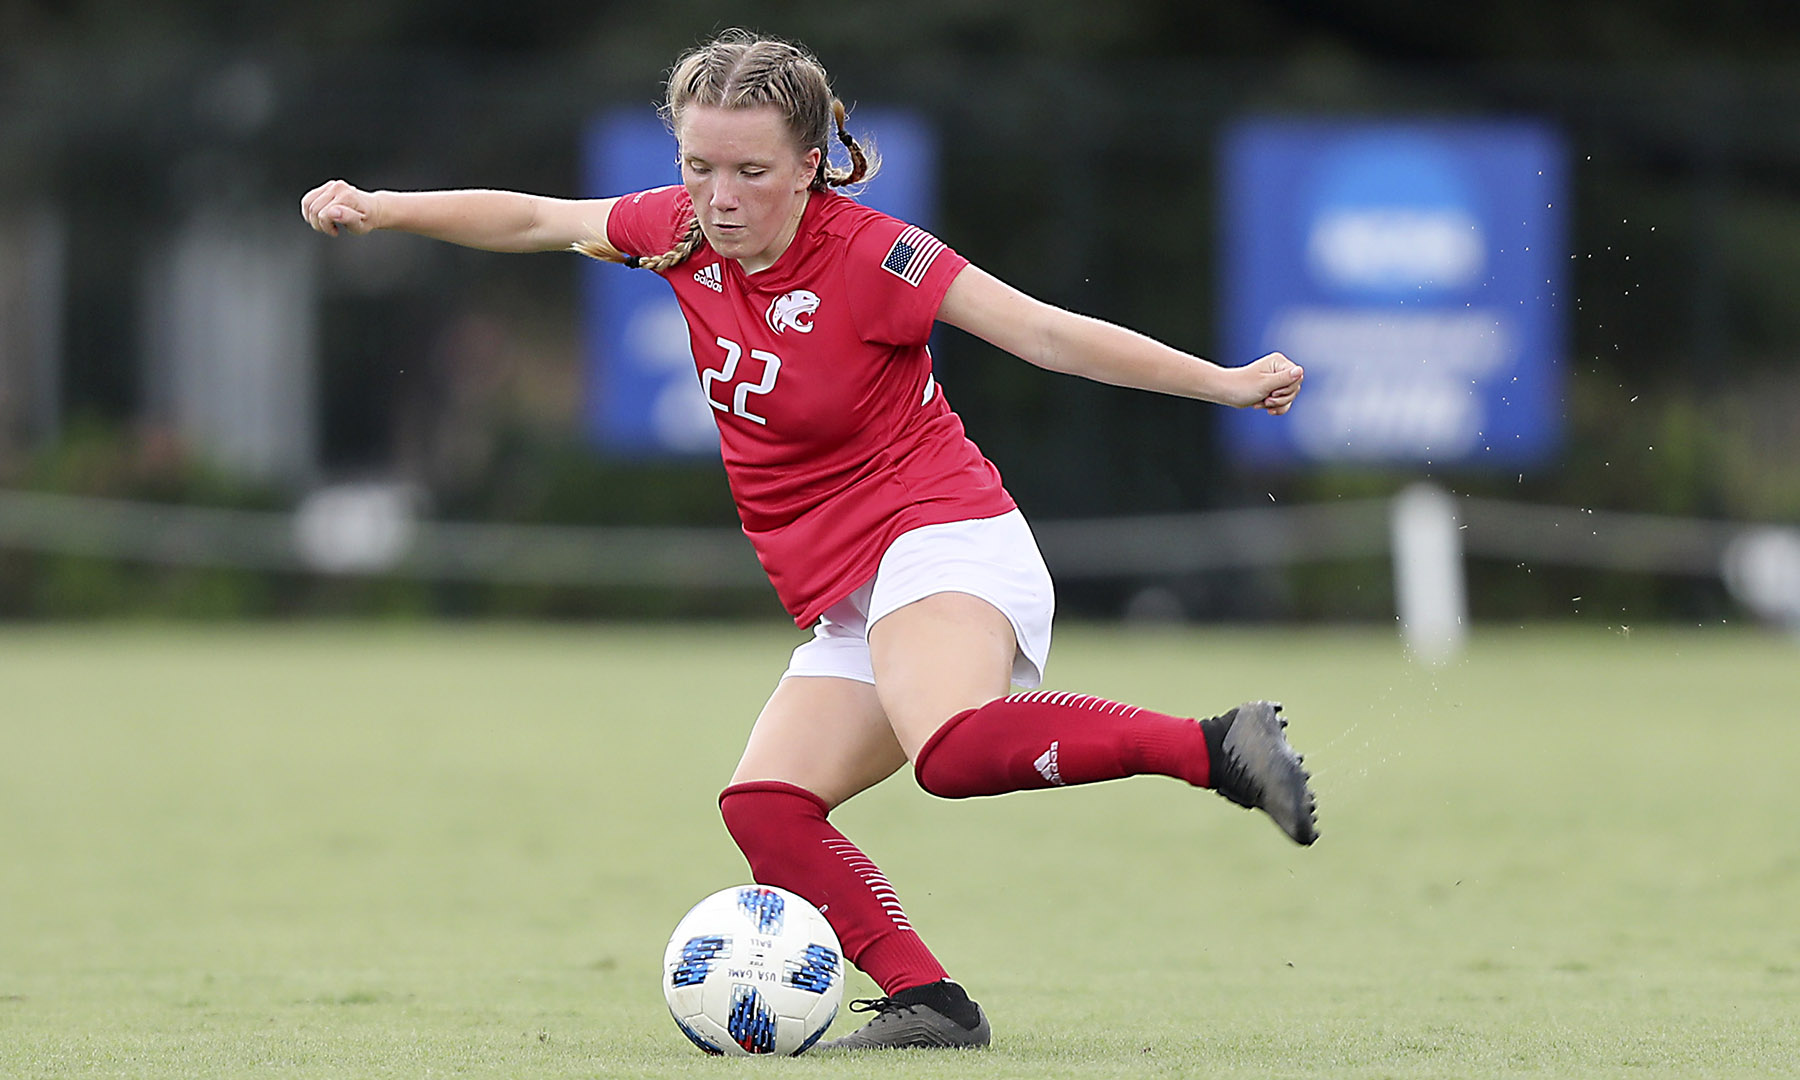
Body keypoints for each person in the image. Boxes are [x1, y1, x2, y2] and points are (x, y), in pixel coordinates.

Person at [300, 28, 1316, 1053]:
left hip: (941, 534)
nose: (719, 197)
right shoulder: (678, 235)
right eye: (699, 168)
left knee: (952, 751)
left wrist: (1223, 383)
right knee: (766, 809)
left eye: (750, 171)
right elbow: (532, 216)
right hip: (847, 586)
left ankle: (1214, 748)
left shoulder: (877, 254)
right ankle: (931, 1005)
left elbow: (1046, 333)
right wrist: (383, 209)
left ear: (810, 165)